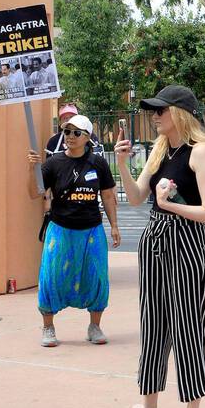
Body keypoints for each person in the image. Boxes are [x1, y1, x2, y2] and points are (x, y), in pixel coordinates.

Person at [110, 84, 205, 408]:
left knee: (188, 327)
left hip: (186, 244)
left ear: (179, 113)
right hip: (155, 240)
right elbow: (137, 198)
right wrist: (123, 164)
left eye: (160, 110)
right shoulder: (161, 150)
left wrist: (171, 206)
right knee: (153, 325)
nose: (154, 116)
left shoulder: (200, 151)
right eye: (153, 110)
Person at [27, 115, 120, 347]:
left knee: (96, 277)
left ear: (87, 137)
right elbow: (33, 193)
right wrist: (32, 169)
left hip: (91, 230)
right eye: (66, 132)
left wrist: (114, 225)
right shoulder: (54, 163)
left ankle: (94, 326)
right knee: (51, 277)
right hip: (60, 230)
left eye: (76, 133)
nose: (69, 137)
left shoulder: (98, 163)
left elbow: (108, 195)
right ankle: (48, 328)